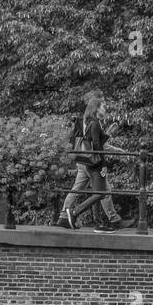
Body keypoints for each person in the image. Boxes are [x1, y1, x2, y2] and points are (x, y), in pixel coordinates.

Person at [56, 92, 124, 232]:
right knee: (102, 191)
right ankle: (95, 218)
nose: (105, 108)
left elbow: (86, 142)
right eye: (103, 105)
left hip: (84, 160)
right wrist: (104, 164)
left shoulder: (83, 121)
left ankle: (65, 216)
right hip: (93, 162)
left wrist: (108, 135)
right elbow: (97, 146)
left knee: (85, 190)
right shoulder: (94, 123)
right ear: (96, 107)